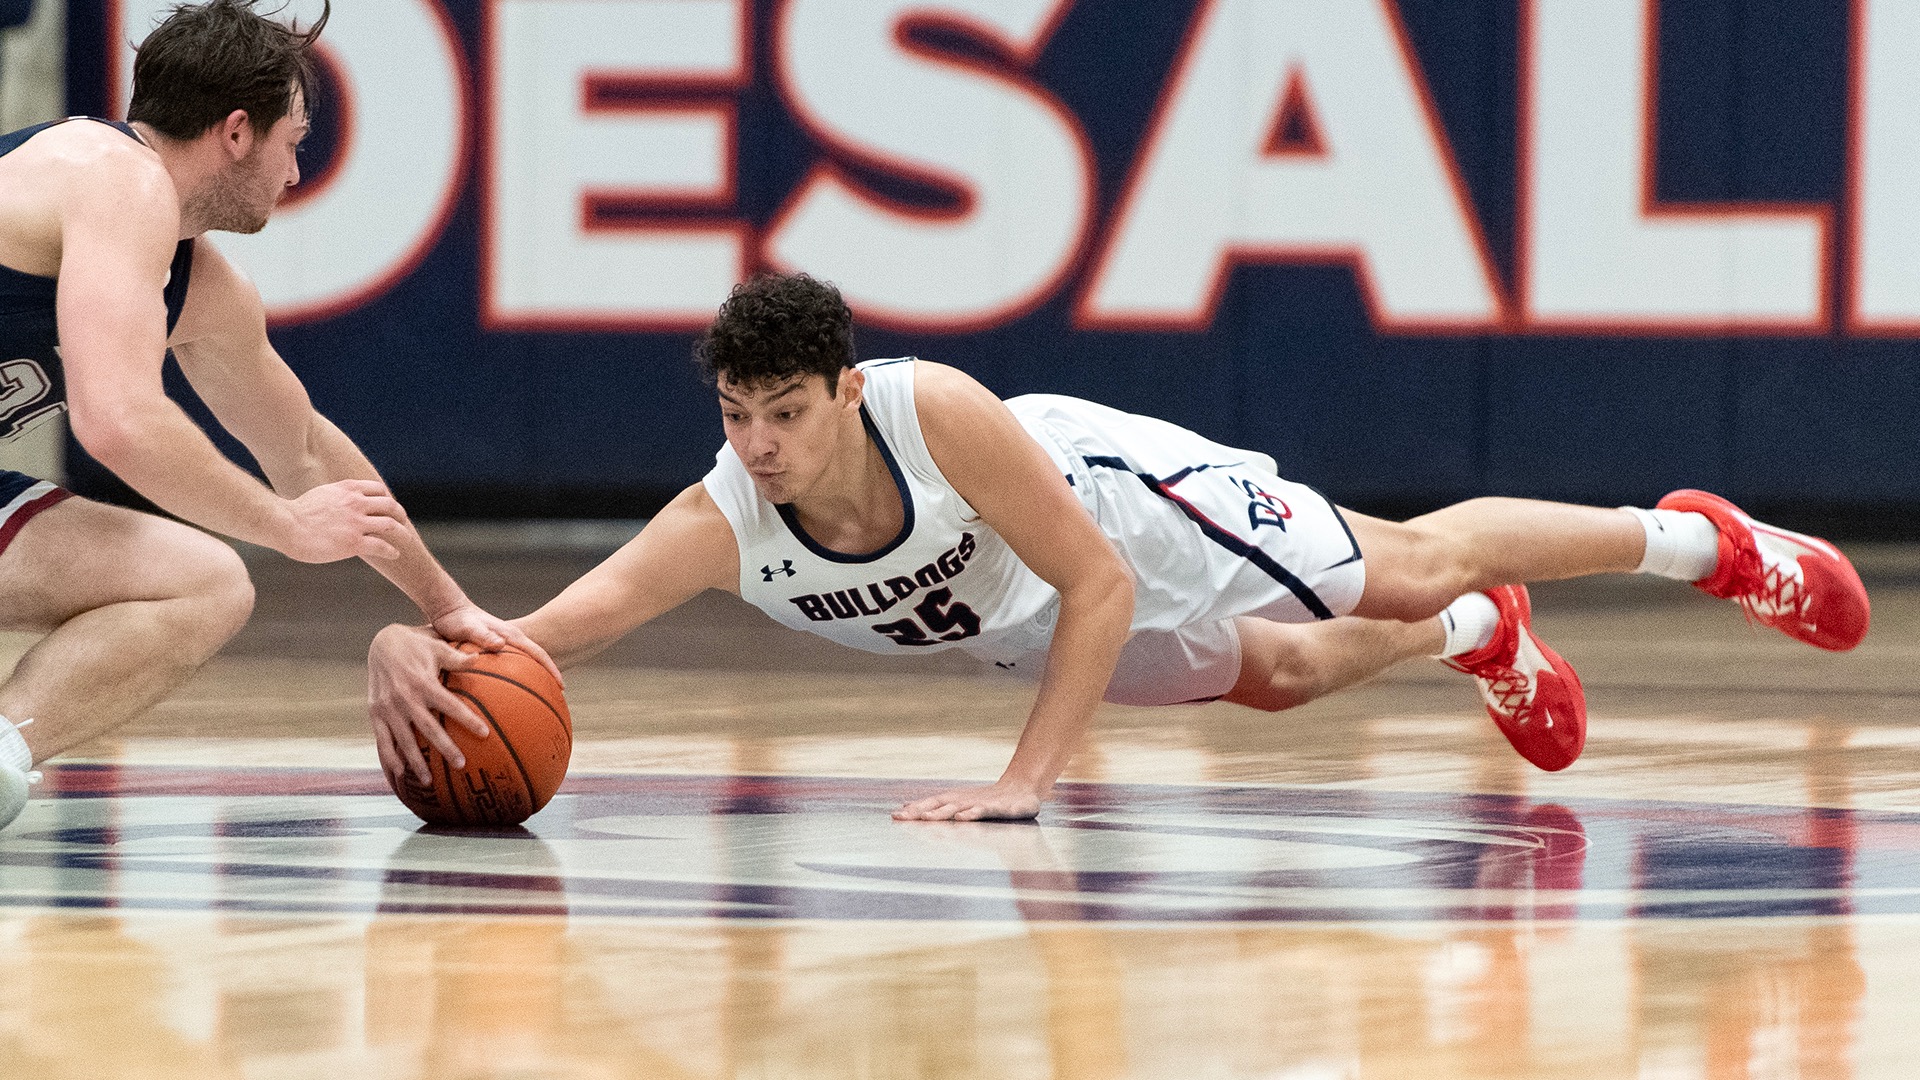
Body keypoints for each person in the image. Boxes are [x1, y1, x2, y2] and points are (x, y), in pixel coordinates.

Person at [368, 272, 1870, 821]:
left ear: (844, 390)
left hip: (1118, 503)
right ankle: (1482, 639)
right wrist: (410, 646)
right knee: (1285, 680)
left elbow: (1098, 577)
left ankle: (1700, 543)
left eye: (786, 412)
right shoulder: (720, 525)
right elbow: (537, 640)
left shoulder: (938, 416)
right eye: (736, 415)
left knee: (1405, 559)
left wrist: (1026, 783)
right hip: (1018, 615)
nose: (760, 443)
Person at [0, 0, 552, 830]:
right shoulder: (115, 177)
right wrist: (283, 525)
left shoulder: (198, 285)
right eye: (293, 143)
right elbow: (117, 422)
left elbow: (303, 451)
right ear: (236, 132)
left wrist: (445, 605)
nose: (294, 174)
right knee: (222, 565)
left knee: (203, 582)